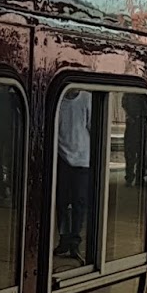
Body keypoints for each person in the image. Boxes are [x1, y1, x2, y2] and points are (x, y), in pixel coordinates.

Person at [55, 90, 92, 260]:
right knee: (61, 201)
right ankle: (64, 239)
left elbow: (92, 126)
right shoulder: (59, 99)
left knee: (79, 201)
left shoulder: (87, 99)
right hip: (62, 156)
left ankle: (75, 241)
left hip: (83, 159)